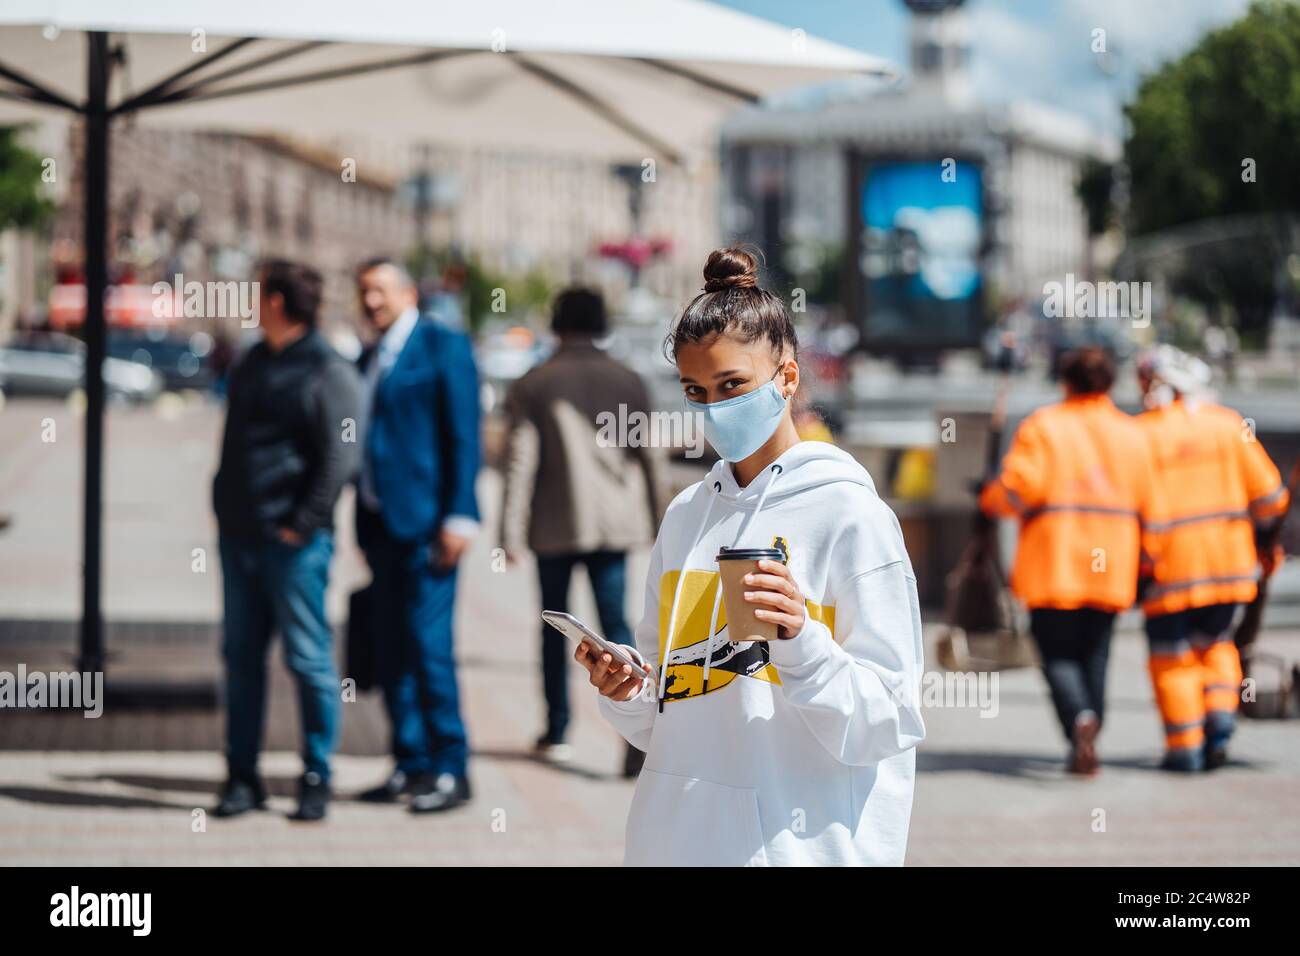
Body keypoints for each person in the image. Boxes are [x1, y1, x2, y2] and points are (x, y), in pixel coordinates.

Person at [576, 247, 925, 866]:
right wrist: (627, 690)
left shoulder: (852, 516)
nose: (714, 407)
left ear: (787, 377)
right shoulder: (686, 515)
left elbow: (890, 721)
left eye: (732, 385)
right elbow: (669, 711)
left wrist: (801, 640)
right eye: (695, 391)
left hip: (799, 848)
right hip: (674, 843)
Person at [211, 259, 362, 821]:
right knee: (240, 658)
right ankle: (242, 776)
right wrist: (222, 503)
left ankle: (316, 774)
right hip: (239, 538)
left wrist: (303, 523)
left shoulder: (327, 369)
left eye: (257, 294)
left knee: (307, 658)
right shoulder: (252, 360)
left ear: (276, 301)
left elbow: (341, 458)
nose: (252, 304)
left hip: (295, 546)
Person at [499, 287, 668, 774]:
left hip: (554, 522)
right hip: (615, 523)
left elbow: (521, 459)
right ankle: (635, 734)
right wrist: (663, 522)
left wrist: (509, 532)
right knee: (615, 628)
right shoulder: (628, 379)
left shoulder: (535, 382)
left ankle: (556, 731)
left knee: (554, 628)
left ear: (556, 326)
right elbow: (650, 455)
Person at [980, 347, 1157, 776]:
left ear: (1066, 381)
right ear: (1110, 382)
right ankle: (1091, 722)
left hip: (1054, 564)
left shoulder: (1044, 426)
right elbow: (1151, 501)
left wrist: (988, 496)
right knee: (1096, 653)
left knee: (1057, 653)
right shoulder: (1133, 433)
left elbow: (1017, 491)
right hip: (1111, 566)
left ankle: (1079, 719)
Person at [353, 257, 482, 814]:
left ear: (408, 293)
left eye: (380, 291)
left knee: (429, 650)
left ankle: (452, 768)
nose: (370, 301)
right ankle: (410, 763)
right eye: (363, 292)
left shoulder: (441, 345)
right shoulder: (369, 355)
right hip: (380, 525)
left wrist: (460, 516)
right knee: (391, 648)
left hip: (430, 527)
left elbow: (464, 435)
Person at [1135, 346, 1289, 771]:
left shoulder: (1142, 433)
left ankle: (1184, 747)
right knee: (1217, 645)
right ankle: (1220, 721)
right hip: (1229, 567)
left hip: (1167, 569)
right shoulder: (1228, 424)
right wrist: (1263, 541)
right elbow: (1272, 498)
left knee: (1172, 658)